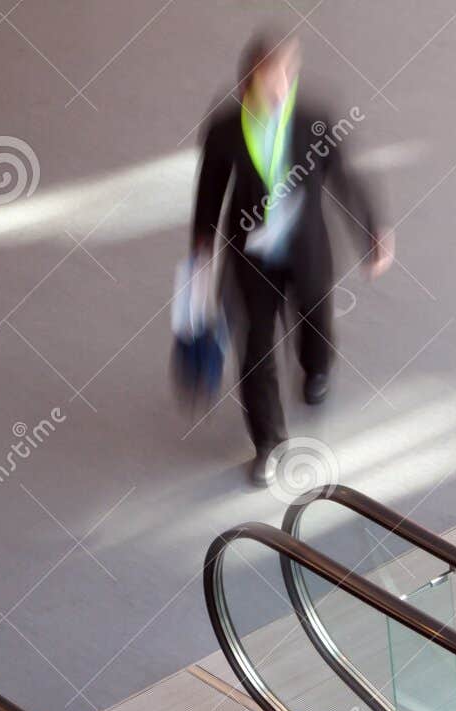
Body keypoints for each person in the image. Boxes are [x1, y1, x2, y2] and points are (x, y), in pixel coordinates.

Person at [190, 29, 394, 487]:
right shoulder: (224, 131)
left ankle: (316, 367)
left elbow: (344, 177)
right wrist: (201, 248)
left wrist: (372, 229)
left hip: (306, 250)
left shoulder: (313, 120)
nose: (282, 85)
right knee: (256, 349)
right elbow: (209, 194)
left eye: (287, 74)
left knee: (315, 321)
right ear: (249, 80)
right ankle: (267, 443)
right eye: (272, 77)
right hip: (251, 257)